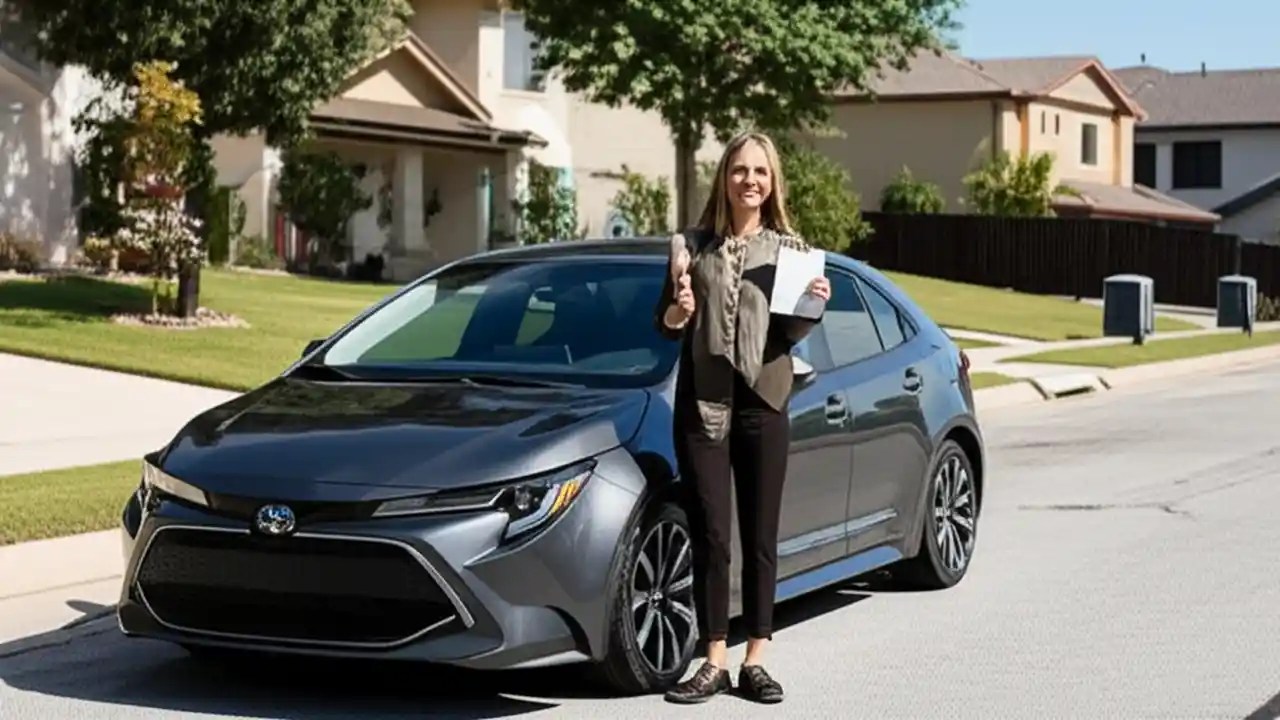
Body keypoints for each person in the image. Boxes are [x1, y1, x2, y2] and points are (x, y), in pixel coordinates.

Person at [652, 131, 830, 705]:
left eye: (760, 171)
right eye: (739, 170)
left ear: (771, 182)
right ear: (723, 178)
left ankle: (757, 658)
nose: (749, 180)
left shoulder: (791, 251)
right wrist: (680, 309)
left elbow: (788, 334)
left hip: (763, 402)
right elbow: (666, 324)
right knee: (711, 532)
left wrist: (812, 307)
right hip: (702, 403)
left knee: (759, 535)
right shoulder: (692, 246)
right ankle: (713, 660)